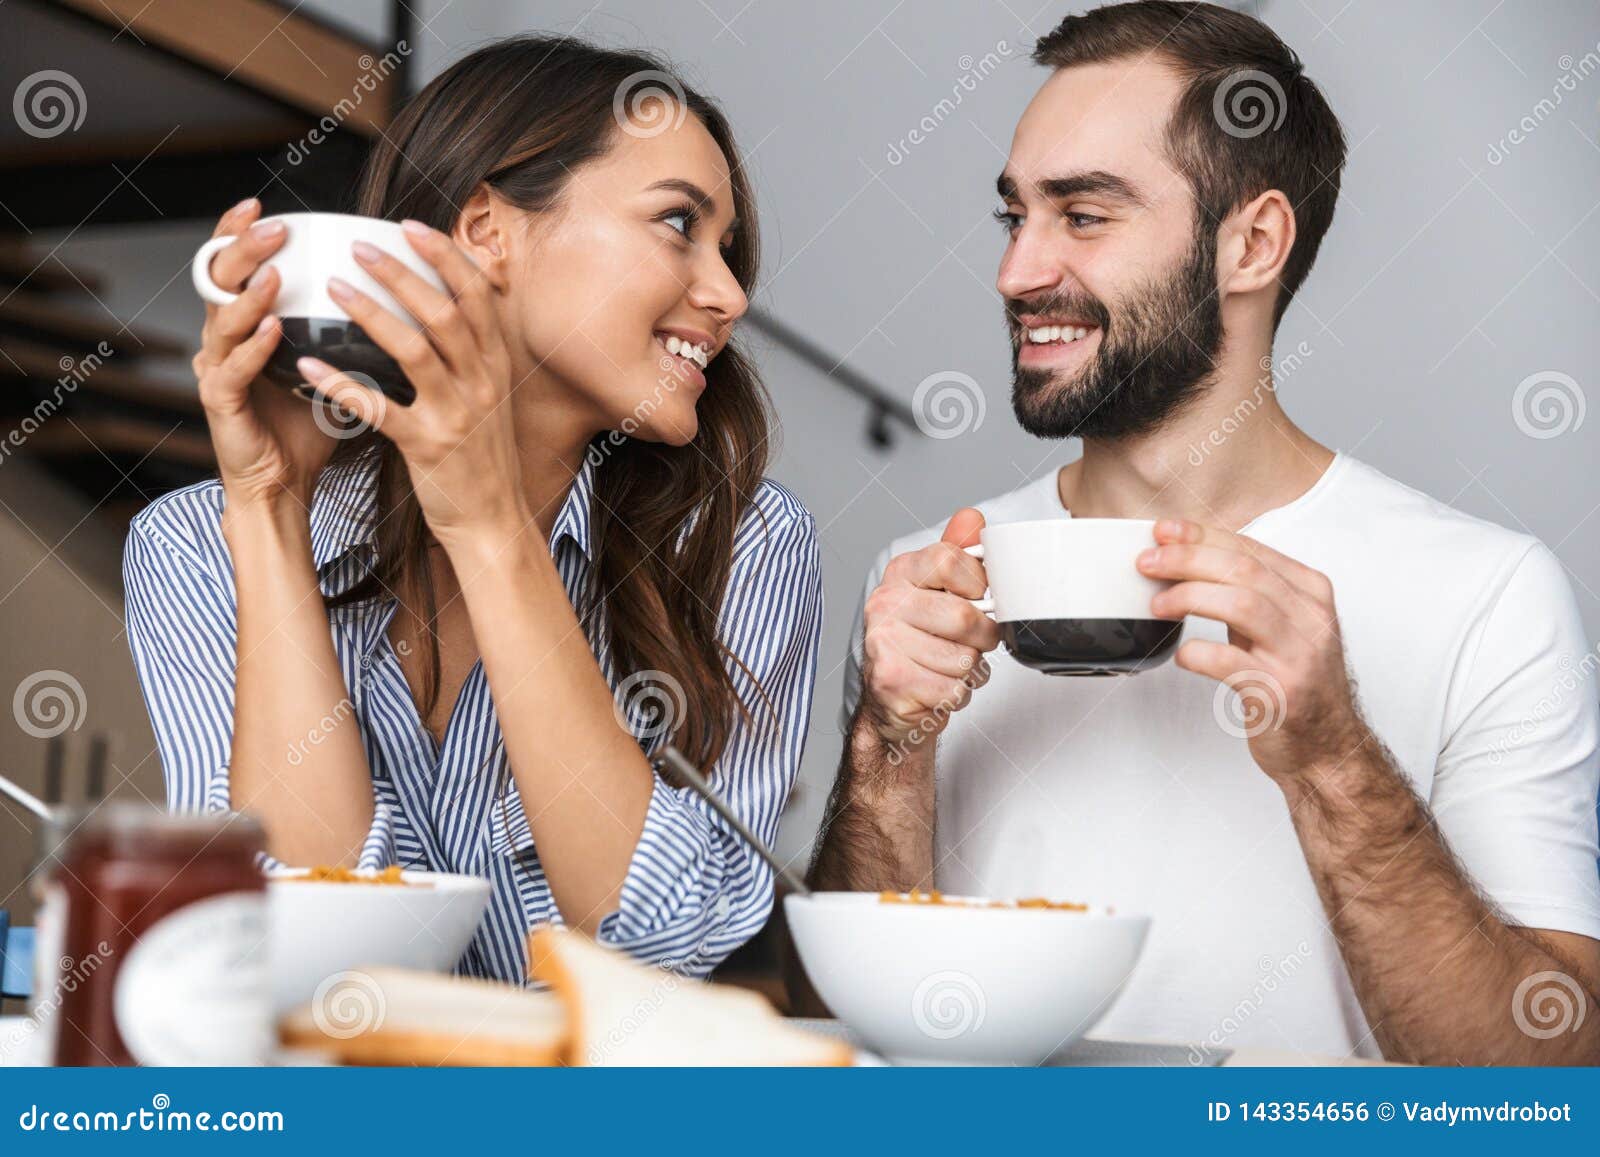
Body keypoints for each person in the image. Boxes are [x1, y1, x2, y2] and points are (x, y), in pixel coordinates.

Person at [806, 1, 1600, 1064]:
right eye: (1014, 218)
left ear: (1253, 242)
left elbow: (1548, 1074)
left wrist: (1332, 758)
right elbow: (843, 1045)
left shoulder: (1488, 593)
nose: (1016, 273)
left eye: (1082, 216)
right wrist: (885, 746)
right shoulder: (935, 583)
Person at [123, 36, 822, 984]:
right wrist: (270, 512)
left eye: (728, 250)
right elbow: (291, 929)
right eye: (676, 225)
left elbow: (663, 941)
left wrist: (490, 530)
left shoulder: (745, 541)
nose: (729, 293)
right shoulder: (197, 545)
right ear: (489, 230)